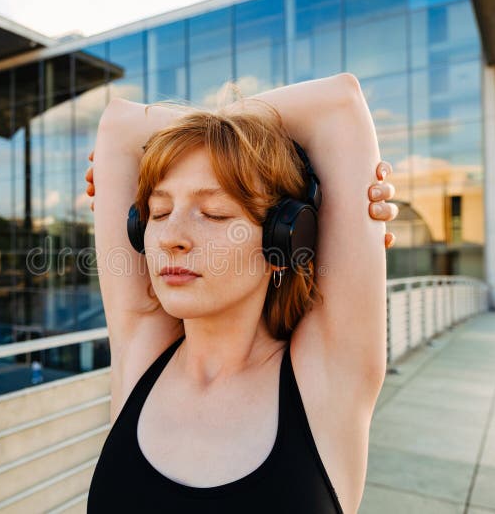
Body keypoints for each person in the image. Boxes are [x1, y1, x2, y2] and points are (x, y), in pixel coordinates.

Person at [82, 73, 397, 513]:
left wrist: (218, 133)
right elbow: (118, 125)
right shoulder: (142, 350)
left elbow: (338, 105)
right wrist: (212, 135)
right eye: (158, 211)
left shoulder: (325, 378)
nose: (171, 236)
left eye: (212, 213)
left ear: (285, 237)